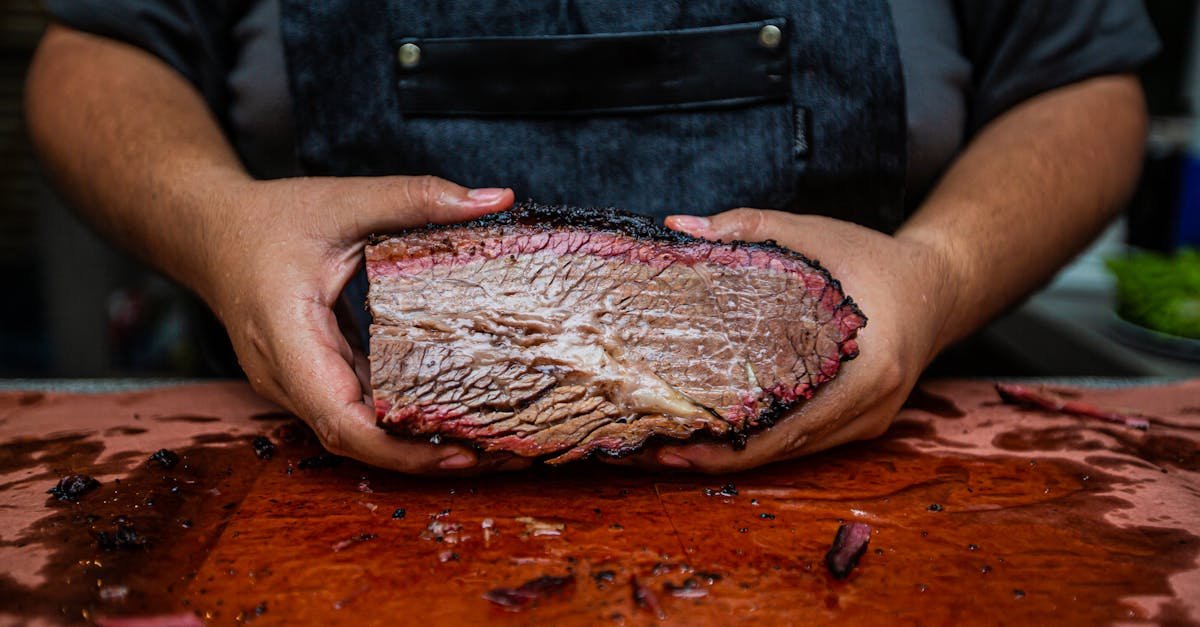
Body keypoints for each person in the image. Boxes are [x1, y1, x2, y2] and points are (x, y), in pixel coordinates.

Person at [26, 1, 1158, 474]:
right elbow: (97, 53)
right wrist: (222, 228)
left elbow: (1079, 83)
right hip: (314, 466)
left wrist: (942, 272)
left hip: (863, 454)